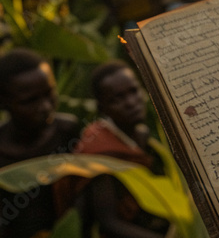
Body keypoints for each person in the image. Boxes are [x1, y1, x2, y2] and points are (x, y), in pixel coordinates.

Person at [60, 61, 168, 238]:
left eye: (134, 91)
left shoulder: (141, 134)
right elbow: (109, 223)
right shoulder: (99, 151)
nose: (131, 102)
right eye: (118, 99)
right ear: (102, 108)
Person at [0, 48, 82, 237]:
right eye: (30, 101)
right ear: (2, 103)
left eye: (49, 93)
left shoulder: (67, 132)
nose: (46, 107)